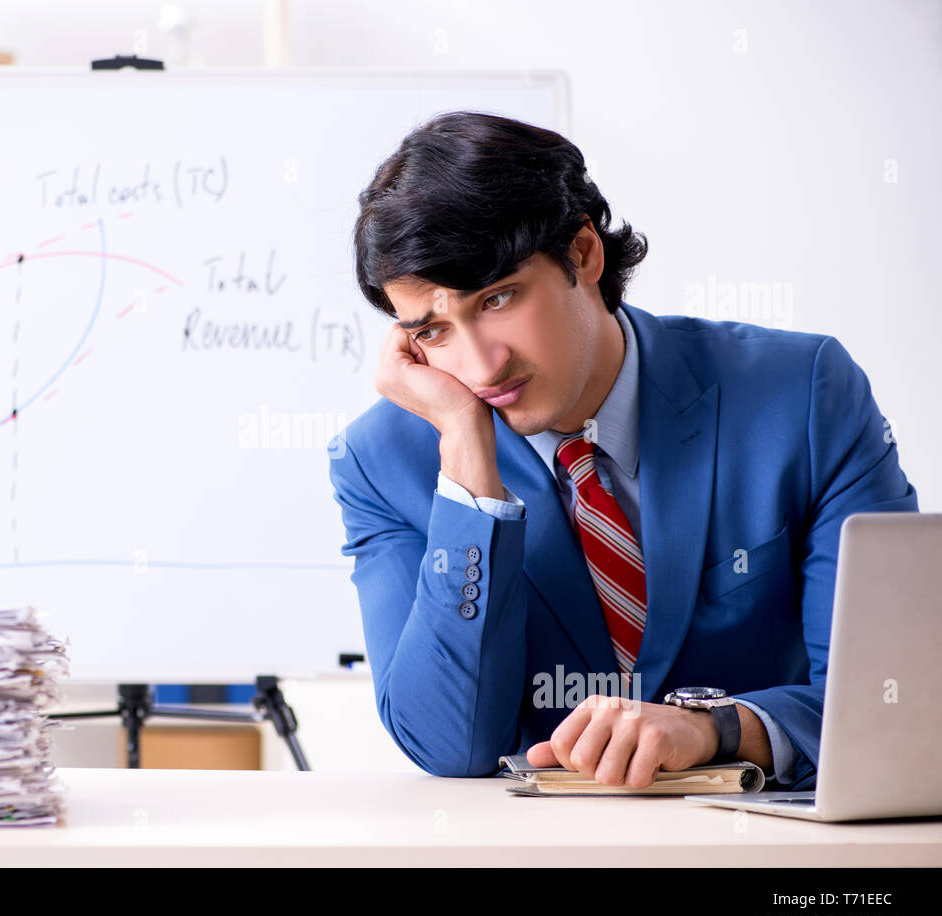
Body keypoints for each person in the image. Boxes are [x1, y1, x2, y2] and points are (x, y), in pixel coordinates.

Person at [328, 110, 917, 789]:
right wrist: (468, 468)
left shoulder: (802, 395)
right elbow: (449, 743)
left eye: (497, 299)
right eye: (432, 332)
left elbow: (887, 696)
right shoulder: (383, 460)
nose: (481, 367)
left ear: (583, 253)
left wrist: (715, 727)